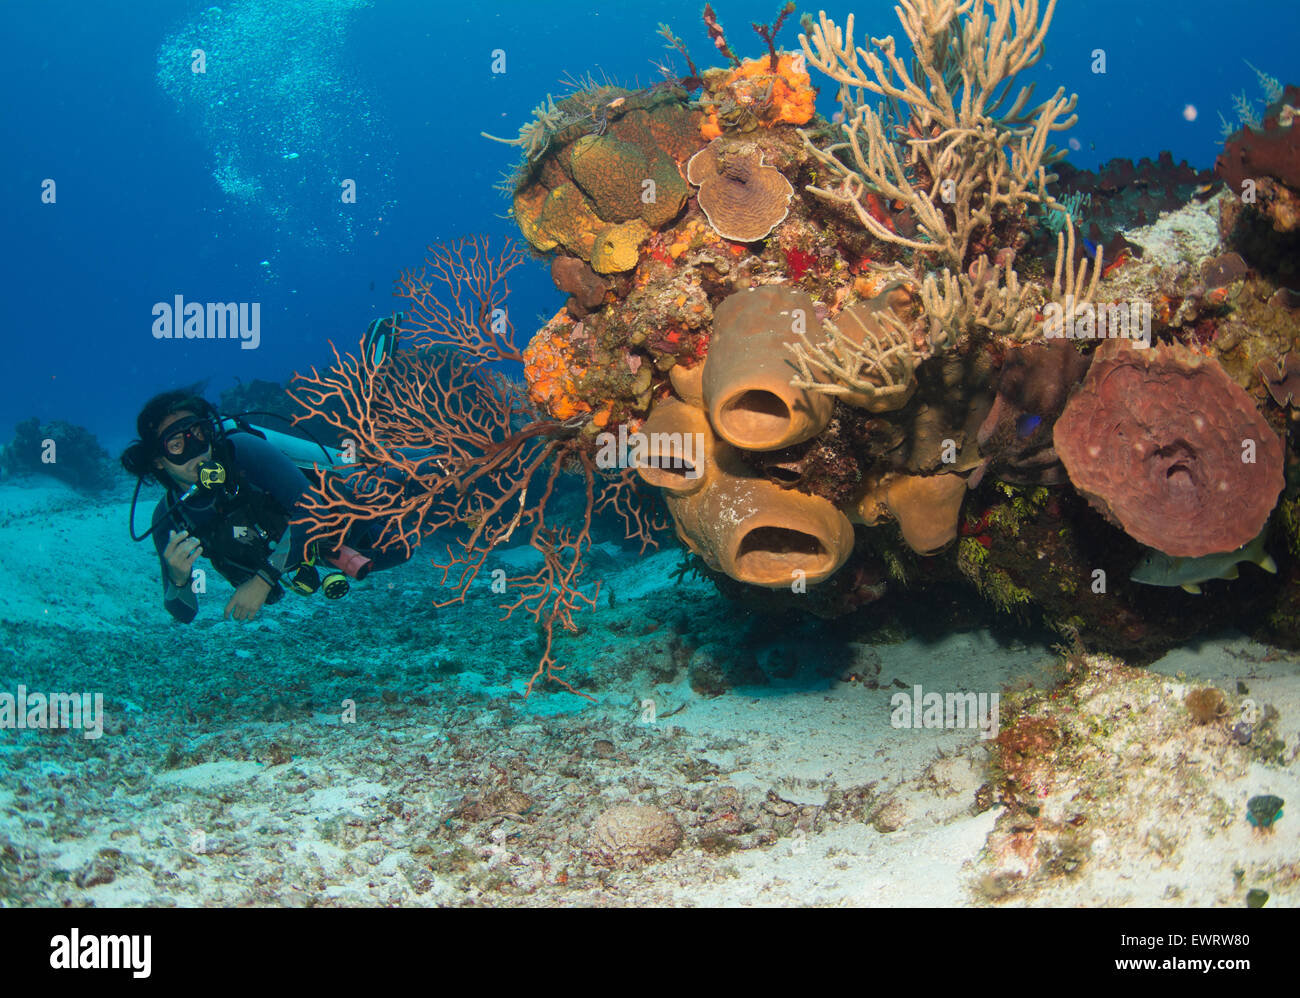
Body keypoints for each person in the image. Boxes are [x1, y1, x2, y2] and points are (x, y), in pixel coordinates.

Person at [121, 390, 409, 623]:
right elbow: (184, 613)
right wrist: (180, 578)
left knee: (396, 531)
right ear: (157, 460)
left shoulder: (242, 452)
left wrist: (262, 580)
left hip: (329, 516)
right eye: (176, 445)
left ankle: (417, 456)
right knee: (399, 549)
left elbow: (313, 509)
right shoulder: (173, 518)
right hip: (297, 551)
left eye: (198, 434)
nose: (198, 451)